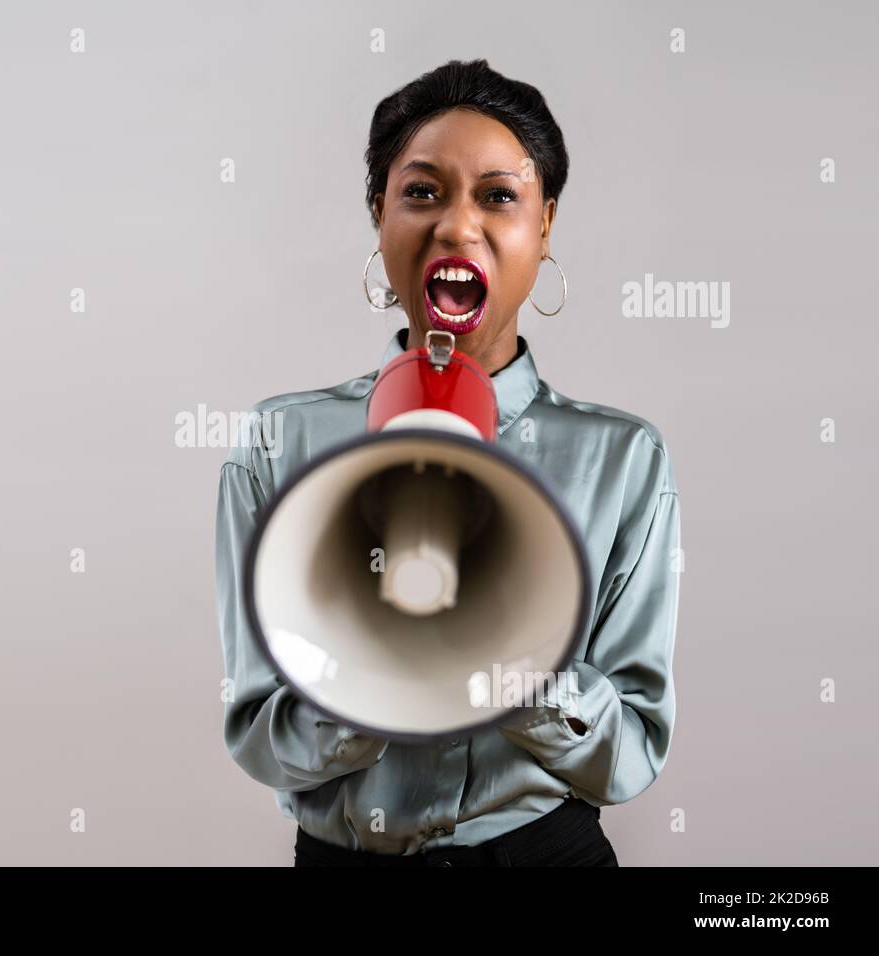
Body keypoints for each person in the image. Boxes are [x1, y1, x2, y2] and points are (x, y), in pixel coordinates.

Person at [214, 59, 681, 867]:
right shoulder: (275, 444)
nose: (458, 227)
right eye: (422, 192)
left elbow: (630, 754)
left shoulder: (624, 458)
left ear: (545, 225)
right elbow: (259, 732)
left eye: (499, 197)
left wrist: (514, 667)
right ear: (379, 215)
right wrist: (376, 675)